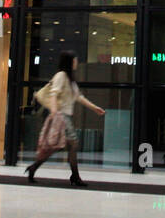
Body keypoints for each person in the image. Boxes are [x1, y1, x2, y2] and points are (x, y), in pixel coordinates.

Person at [25, 51, 105, 187]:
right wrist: (55, 112)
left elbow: (79, 97)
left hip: (65, 116)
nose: (76, 63)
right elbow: (53, 94)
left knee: (58, 146)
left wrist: (95, 108)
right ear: (69, 62)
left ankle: (34, 167)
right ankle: (75, 176)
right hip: (61, 116)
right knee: (72, 144)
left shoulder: (70, 79)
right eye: (74, 60)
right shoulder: (61, 76)